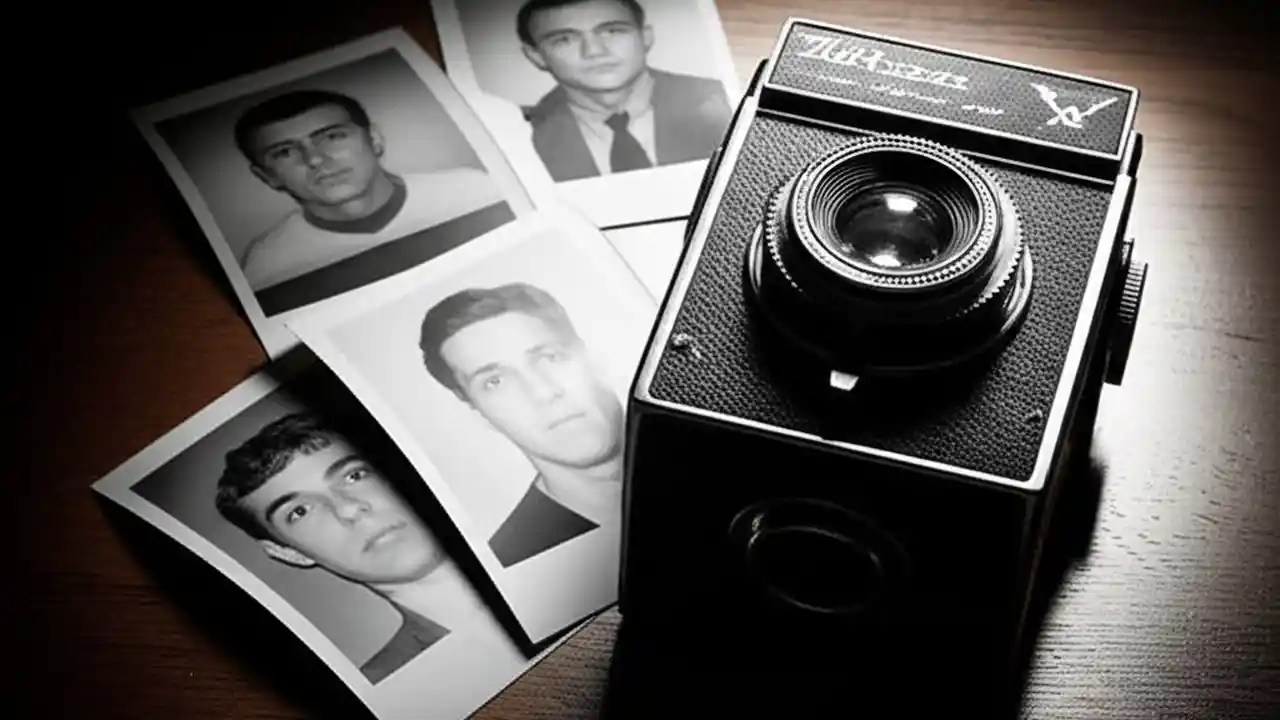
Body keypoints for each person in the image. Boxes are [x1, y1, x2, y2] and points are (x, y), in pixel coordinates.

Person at [215, 411, 485, 683]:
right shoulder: (390, 691)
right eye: (300, 511)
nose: (348, 508)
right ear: (289, 552)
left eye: (354, 476)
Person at [418, 282, 625, 568]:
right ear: (475, 408)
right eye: (495, 382)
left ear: (591, 358)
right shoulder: (519, 565)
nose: (543, 392)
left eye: (550, 357)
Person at [234, 89, 503, 291]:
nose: (315, 159)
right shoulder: (268, 266)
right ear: (267, 176)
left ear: (373, 139)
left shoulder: (473, 191)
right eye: (285, 152)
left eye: (332, 137)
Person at [516, 0, 733, 182]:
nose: (594, 51)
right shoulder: (518, 137)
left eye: (612, 31)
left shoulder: (727, 99)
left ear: (645, 37)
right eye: (564, 39)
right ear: (535, 55)